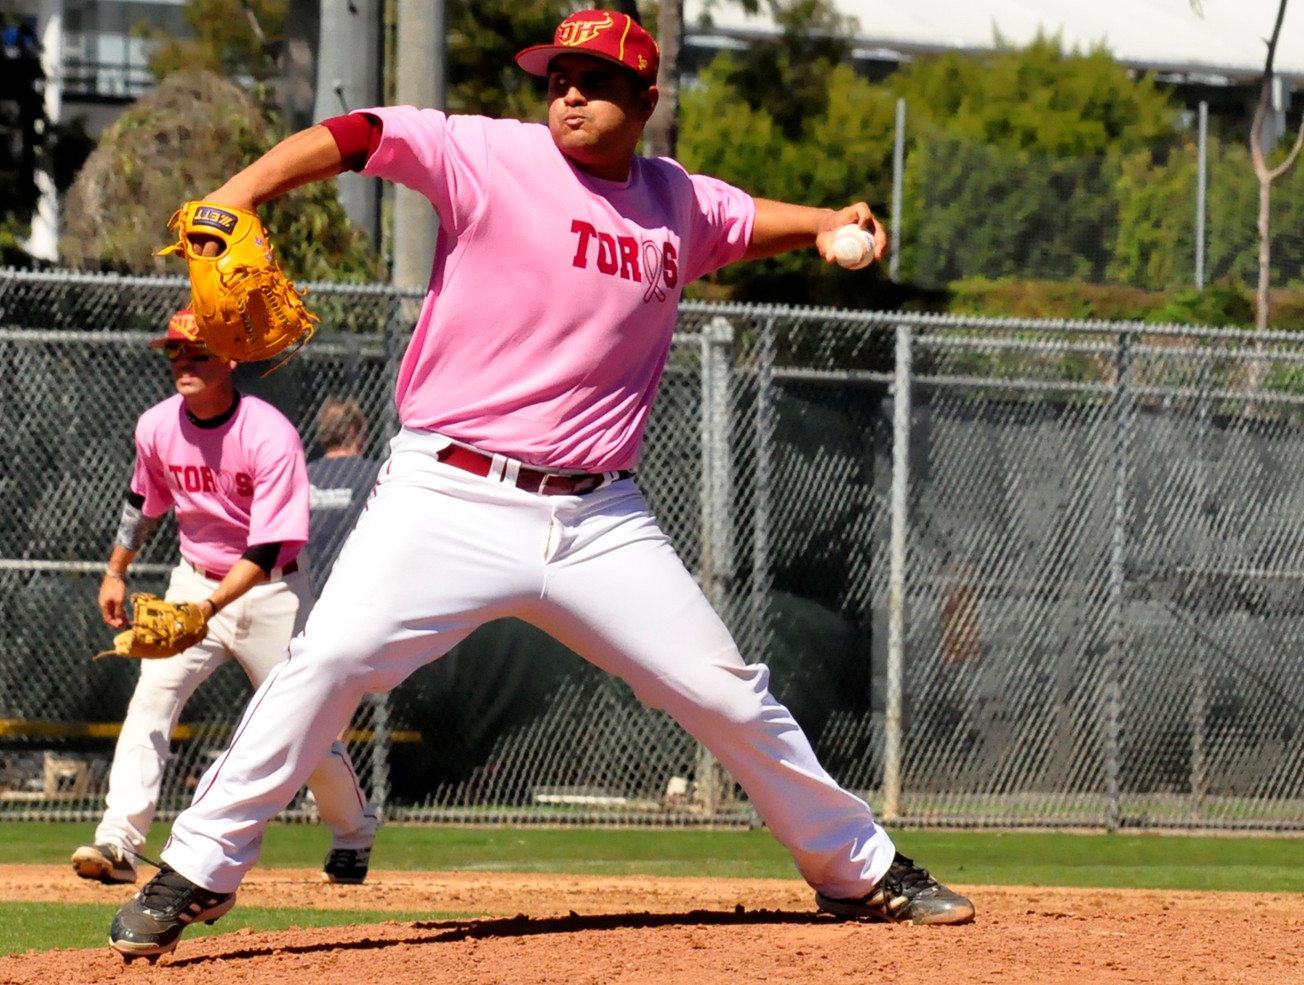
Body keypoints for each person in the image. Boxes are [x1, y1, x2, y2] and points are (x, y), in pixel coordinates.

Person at [108, 9, 974, 959]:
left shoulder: (674, 199)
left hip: (599, 514)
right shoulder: (489, 154)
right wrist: (236, 193)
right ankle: (196, 868)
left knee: (727, 694)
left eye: (595, 79)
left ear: (646, 99)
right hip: (448, 493)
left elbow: (736, 223)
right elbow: (360, 136)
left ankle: (859, 866)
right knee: (328, 661)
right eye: (559, 74)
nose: (569, 91)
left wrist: (822, 225)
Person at [71, 308, 379, 887]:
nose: (183, 362)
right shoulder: (157, 426)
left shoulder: (270, 435)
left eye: (198, 351)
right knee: (151, 702)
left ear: (231, 358)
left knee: (305, 727)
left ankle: (353, 831)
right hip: (194, 579)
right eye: (175, 352)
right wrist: (116, 571)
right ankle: (118, 841)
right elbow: (142, 502)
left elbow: (266, 548)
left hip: (273, 590)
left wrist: (207, 610)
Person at [305, 397, 381, 588]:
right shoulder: (377, 475)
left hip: (309, 585)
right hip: (361, 584)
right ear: (355, 431)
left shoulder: (302, 476)